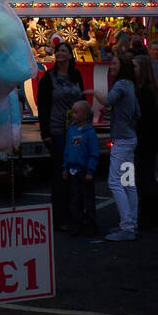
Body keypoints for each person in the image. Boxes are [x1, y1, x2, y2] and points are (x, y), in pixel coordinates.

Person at [38, 41, 85, 230]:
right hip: (57, 131)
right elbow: (43, 106)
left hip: (76, 131)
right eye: (58, 51)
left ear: (70, 55)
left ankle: (76, 214)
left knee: (76, 173)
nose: (61, 54)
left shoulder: (76, 75)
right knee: (60, 175)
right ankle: (59, 218)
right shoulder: (49, 78)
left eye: (64, 51)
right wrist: (45, 132)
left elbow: (82, 99)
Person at [96, 56, 140, 240]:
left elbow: (106, 101)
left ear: (122, 67)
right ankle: (131, 223)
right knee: (128, 183)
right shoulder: (130, 85)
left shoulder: (121, 85)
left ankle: (127, 226)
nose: (111, 66)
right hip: (130, 139)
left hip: (121, 141)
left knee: (115, 182)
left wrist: (92, 92)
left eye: (114, 63)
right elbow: (137, 113)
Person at [133, 54, 158, 228]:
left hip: (145, 137)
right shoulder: (150, 89)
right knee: (147, 175)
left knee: (145, 176)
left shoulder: (145, 91)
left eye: (135, 67)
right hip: (150, 137)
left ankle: (150, 213)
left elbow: (144, 117)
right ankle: (153, 212)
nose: (133, 70)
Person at [62, 99, 100, 235]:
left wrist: (91, 170)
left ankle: (91, 225)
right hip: (72, 171)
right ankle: (76, 225)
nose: (73, 115)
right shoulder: (71, 131)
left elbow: (94, 153)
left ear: (84, 115)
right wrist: (65, 167)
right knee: (75, 200)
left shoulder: (90, 133)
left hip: (84, 171)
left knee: (88, 199)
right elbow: (67, 150)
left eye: (76, 112)